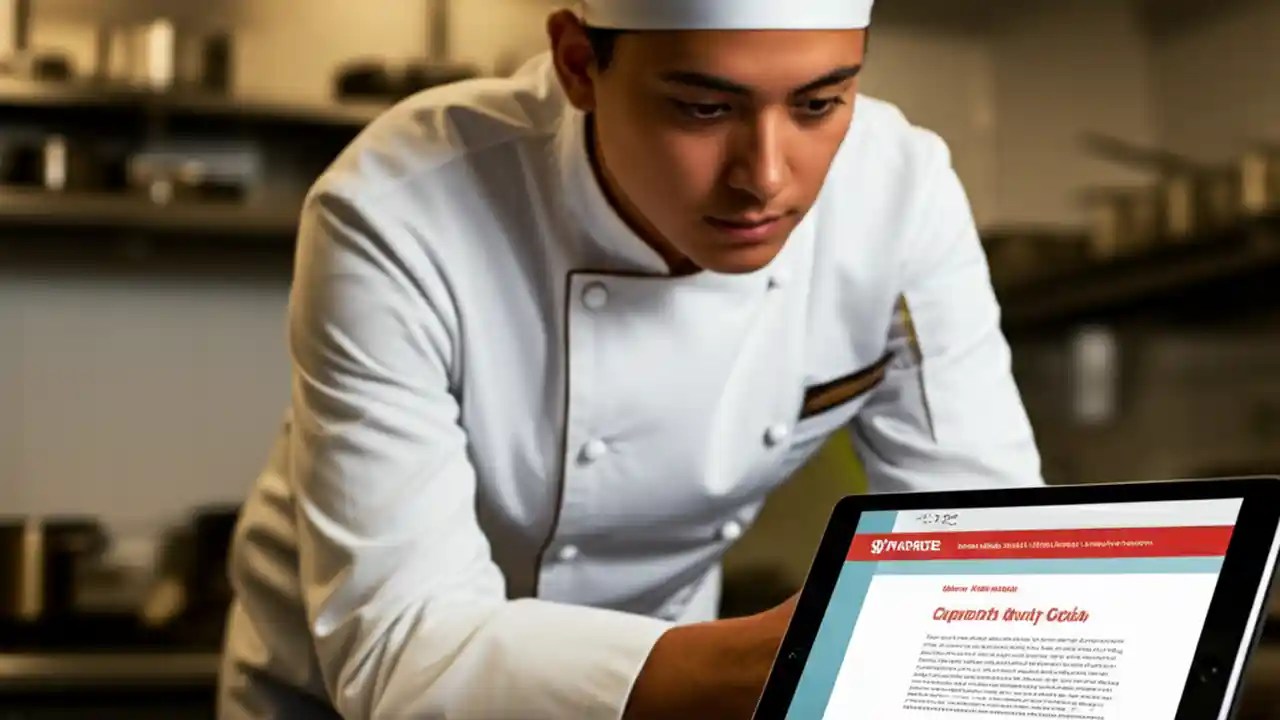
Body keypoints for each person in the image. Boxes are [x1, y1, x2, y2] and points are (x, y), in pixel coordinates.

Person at [216, 1, 1044, 718]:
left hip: (665, 686)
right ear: (579, 63)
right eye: (702, 109)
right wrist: (780, 660)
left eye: (820, 103)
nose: (765, 177)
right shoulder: (402, 206)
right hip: (344, 693)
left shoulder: (899, 194)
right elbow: (403, 649)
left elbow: (988, 544)